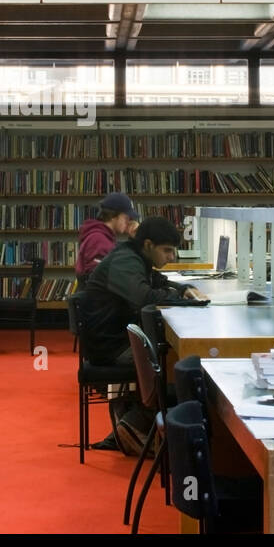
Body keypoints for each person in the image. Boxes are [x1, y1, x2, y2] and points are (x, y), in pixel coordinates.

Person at [80, 216, 204, 453]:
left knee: (174, 354)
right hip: (110, 347)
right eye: (167, 250)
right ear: (148, 245)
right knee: (179, 361)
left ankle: (139, 421)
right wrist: (183, 301)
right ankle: (137, 421)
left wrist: (182, 289)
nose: (171, 257)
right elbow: (144, 297)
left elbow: (157, 281)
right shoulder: (125, 262)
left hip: (115, 338)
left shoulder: (134, 257)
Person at [76, 192, 138, 284]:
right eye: (126, 217)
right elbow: (96, 279)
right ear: (113, 216)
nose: (129, 222)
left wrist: (135, 237)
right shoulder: (98, 239)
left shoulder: (105, 237)